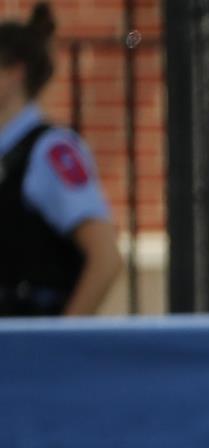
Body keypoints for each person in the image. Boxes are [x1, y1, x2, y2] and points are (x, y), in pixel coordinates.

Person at [0, 3, 121, 318]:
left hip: (29, 347)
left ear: (14, 73)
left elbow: (104, 257)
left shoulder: (49, 152)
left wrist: (59, 341)